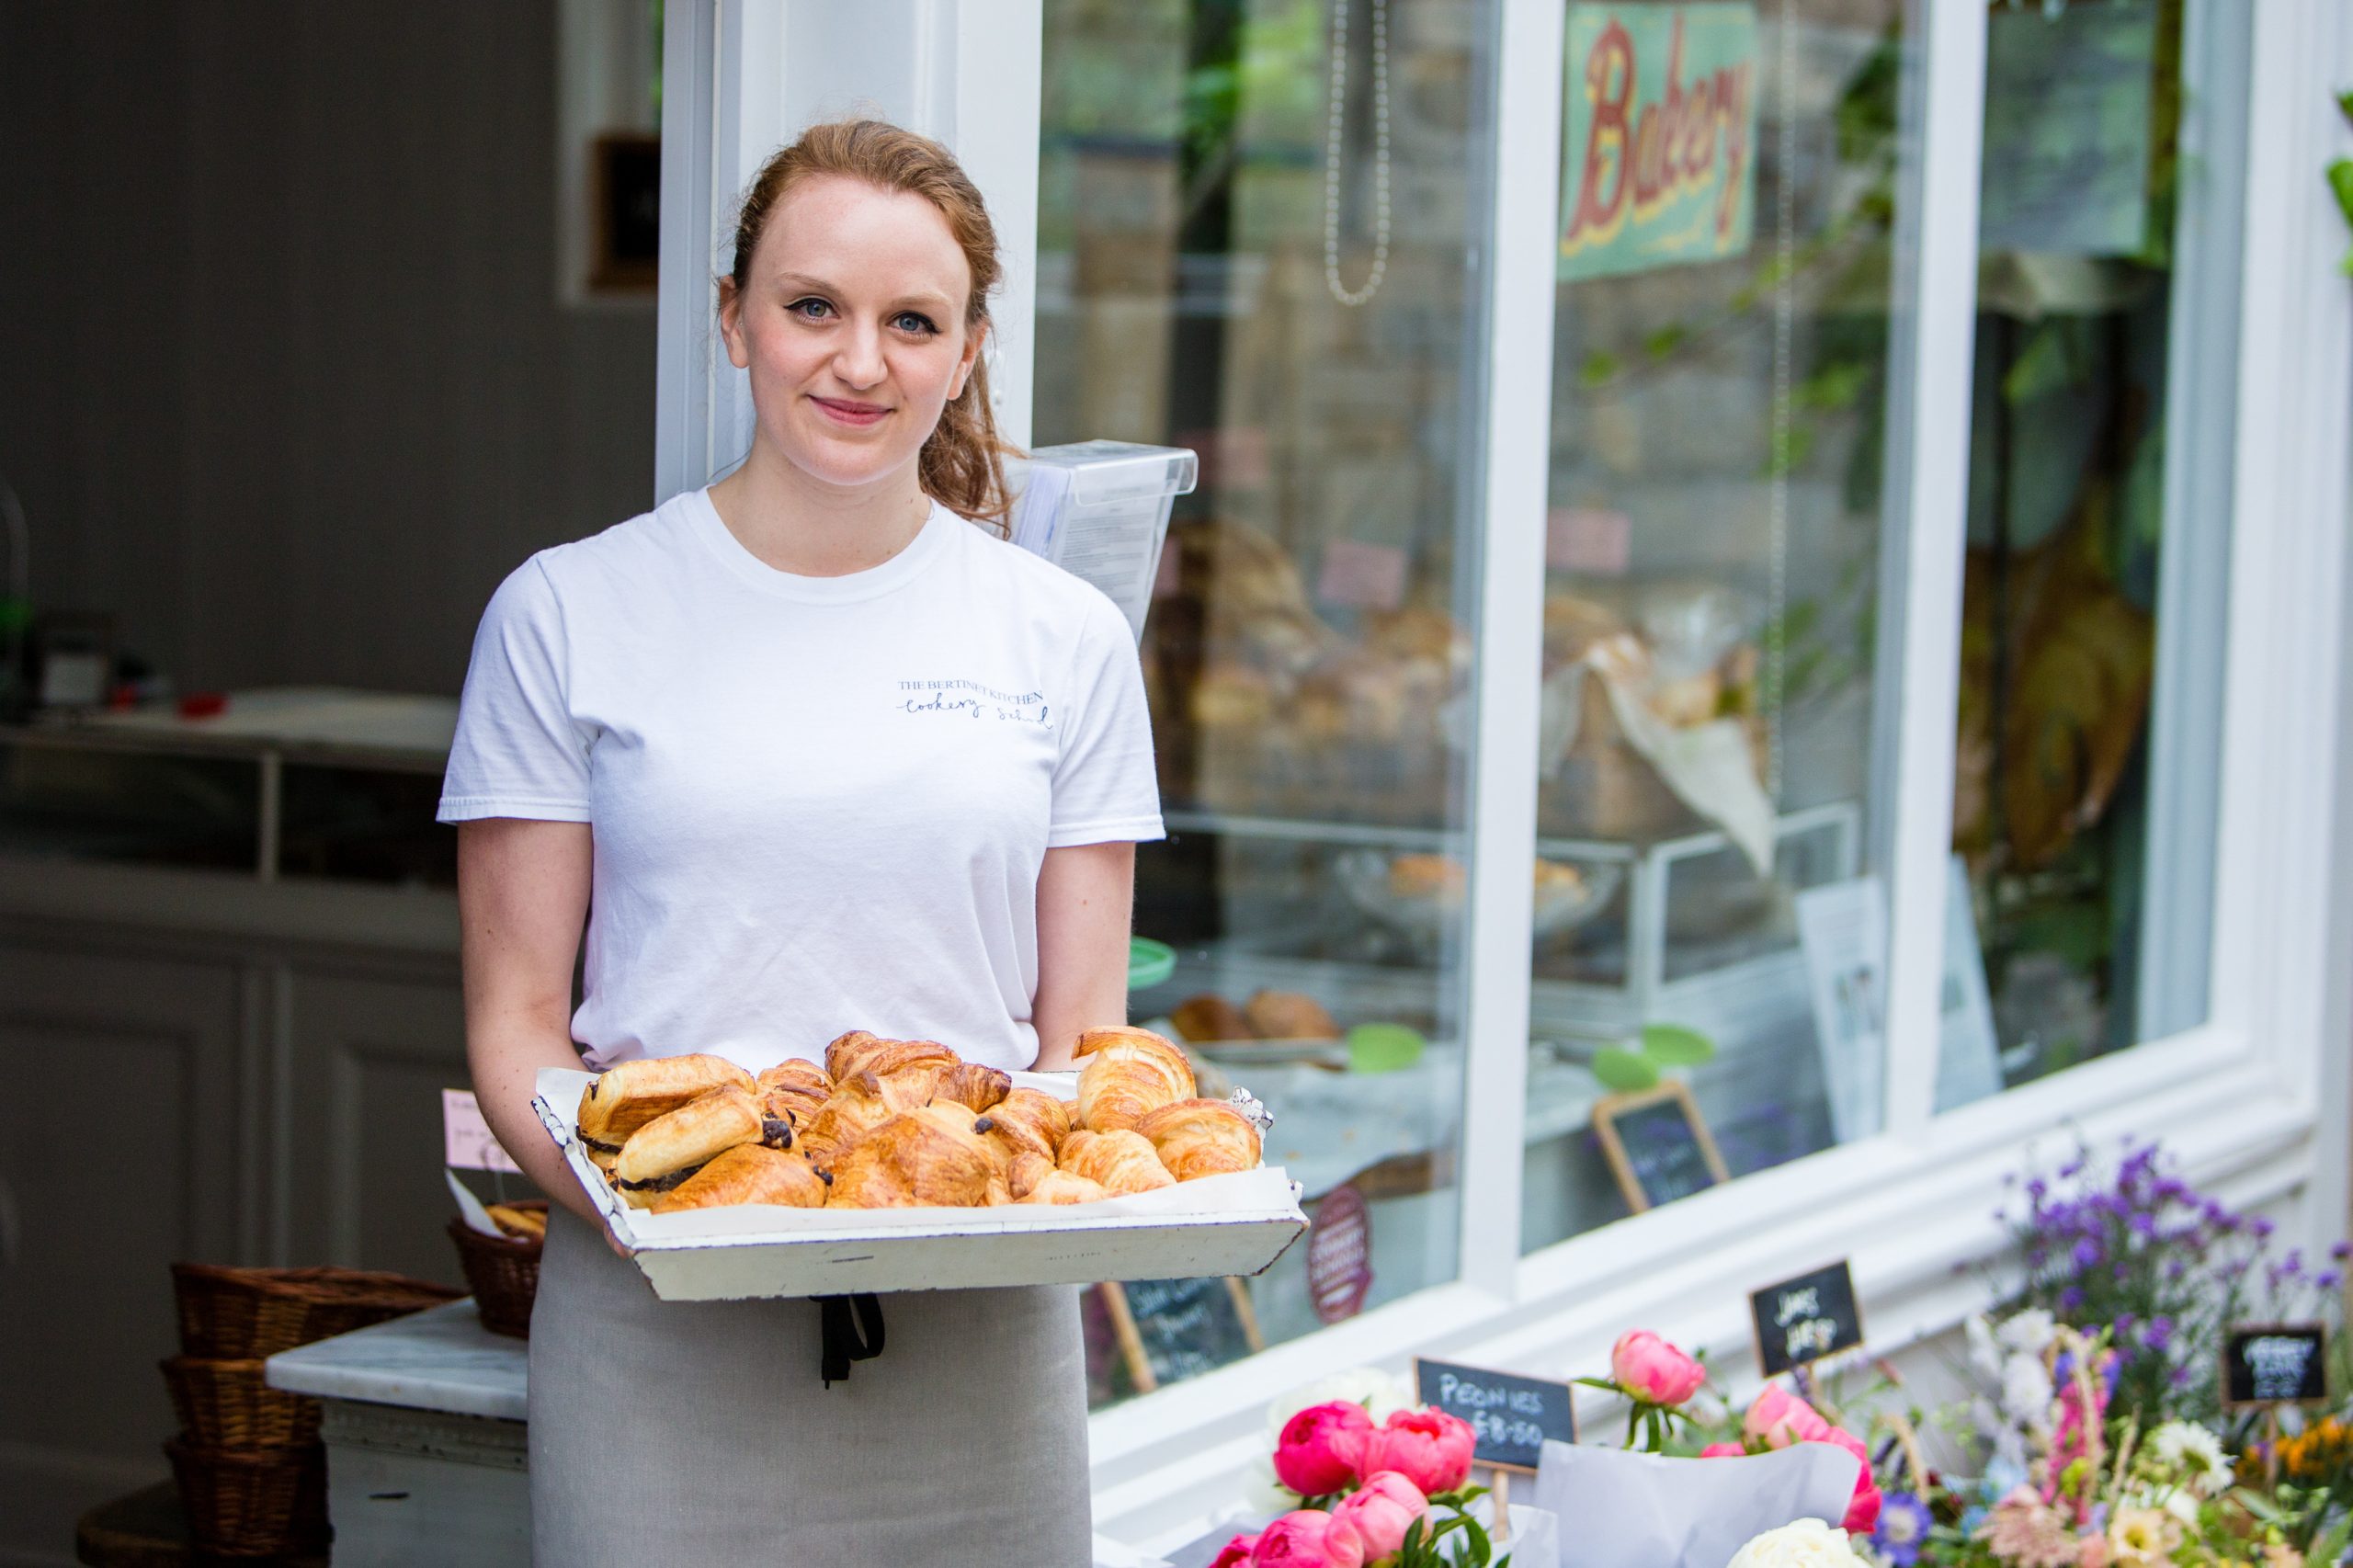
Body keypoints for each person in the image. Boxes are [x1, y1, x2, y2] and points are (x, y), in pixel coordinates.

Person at [439, 118, 1161, 1566]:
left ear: (965, 354)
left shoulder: (1063, 637)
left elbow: (1084, 1036)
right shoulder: (567, 613)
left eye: (913, 321)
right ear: (732, 319)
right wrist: (675, 1228)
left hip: (978, 1362)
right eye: (811, 306)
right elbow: (518, 1027)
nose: (859, 361)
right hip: (660, 1356)